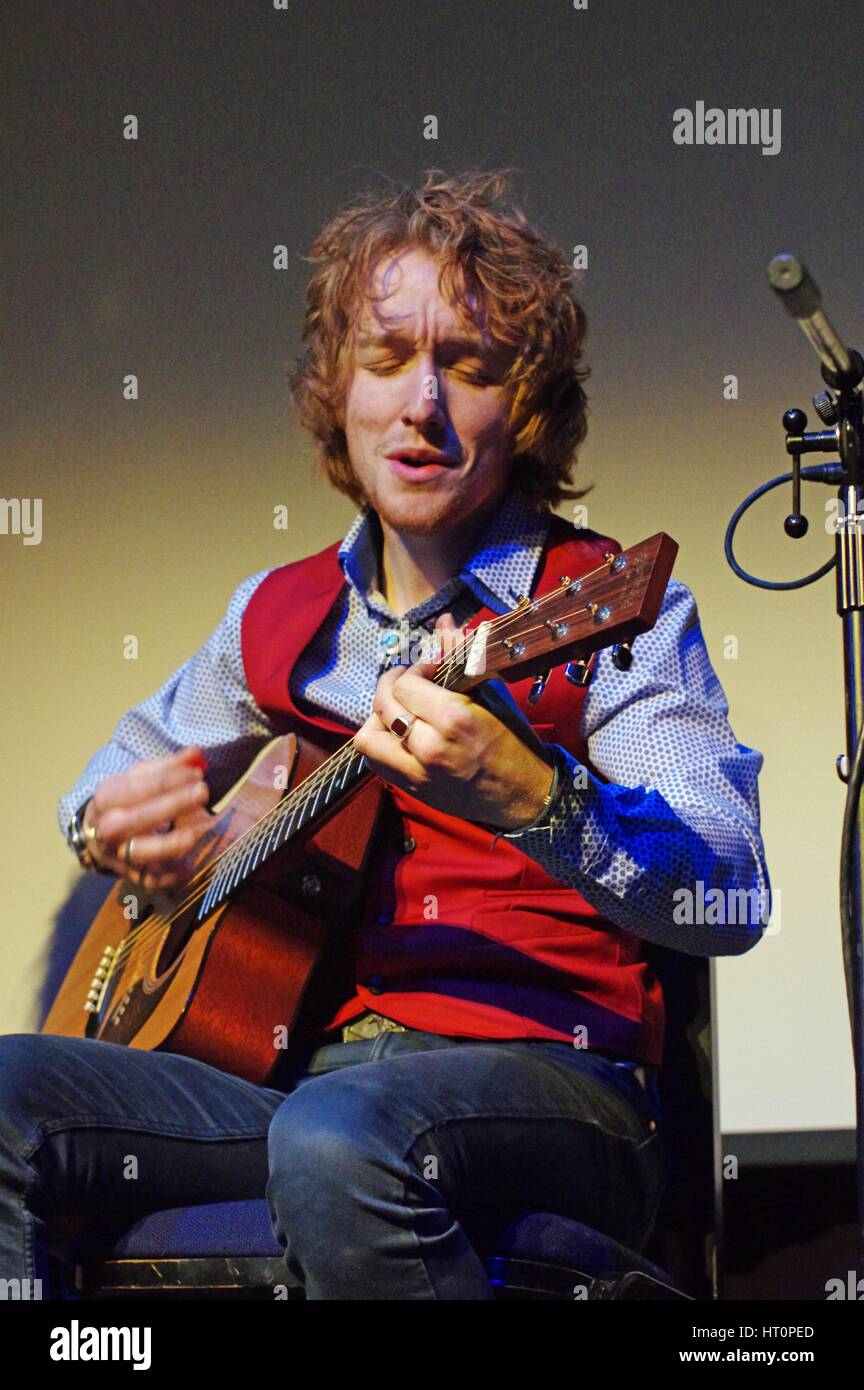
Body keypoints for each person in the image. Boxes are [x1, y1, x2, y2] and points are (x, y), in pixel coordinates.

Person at [0, 169, 769, 1300]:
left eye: (469, 365)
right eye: (387, 358)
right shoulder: (276, 613)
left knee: (338, 1138)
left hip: (557, 1083)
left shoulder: (598, 607)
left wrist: (538, 800)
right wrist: (109, 830)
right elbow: (115, 774)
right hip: (308, 1077)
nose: (424, 404)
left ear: (533, 408)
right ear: (336, 392)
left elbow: (730, 891)